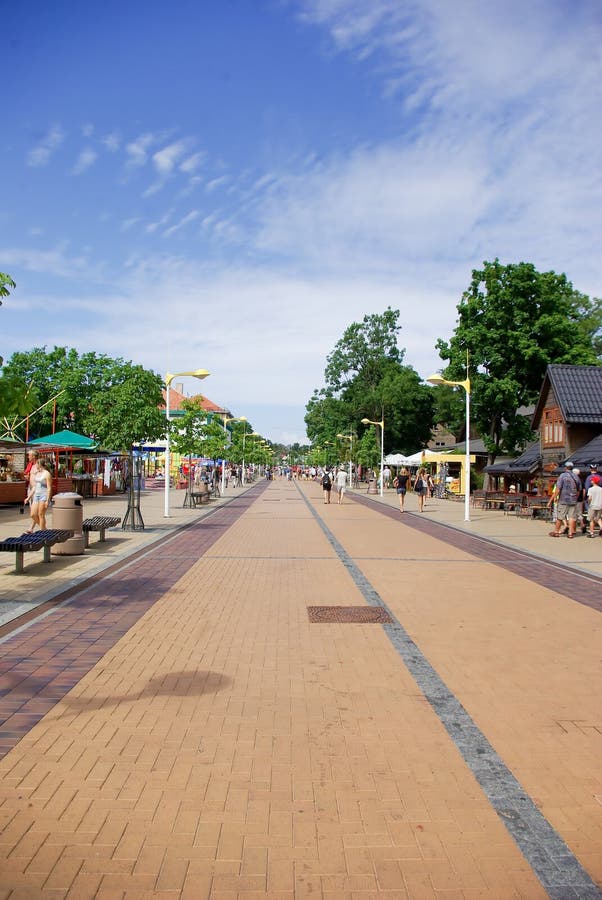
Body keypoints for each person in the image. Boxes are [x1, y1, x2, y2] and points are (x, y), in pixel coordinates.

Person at [549, 461, 581, 538]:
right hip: (573, 500)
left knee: (560, 517)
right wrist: (575, 497)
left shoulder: (562, 476)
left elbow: (558, 489)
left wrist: (552, 500)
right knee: (571, 517)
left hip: (563, 500)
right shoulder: (576, 477)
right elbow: (579, 490)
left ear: (565, 467)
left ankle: (556, 532)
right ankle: (570, 533)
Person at [26, 458, 52, 533]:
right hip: (36, 495)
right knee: (33, 514)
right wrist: (29, 497)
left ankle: (43, 532)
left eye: (36, 464)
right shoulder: (38, 473)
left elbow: (49, 488)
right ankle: (44, 530)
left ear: (39, 464)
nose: (35, 466)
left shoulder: (47, 474)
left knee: (41, 515)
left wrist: (47, 500)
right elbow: (35, 487)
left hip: (44, 495)